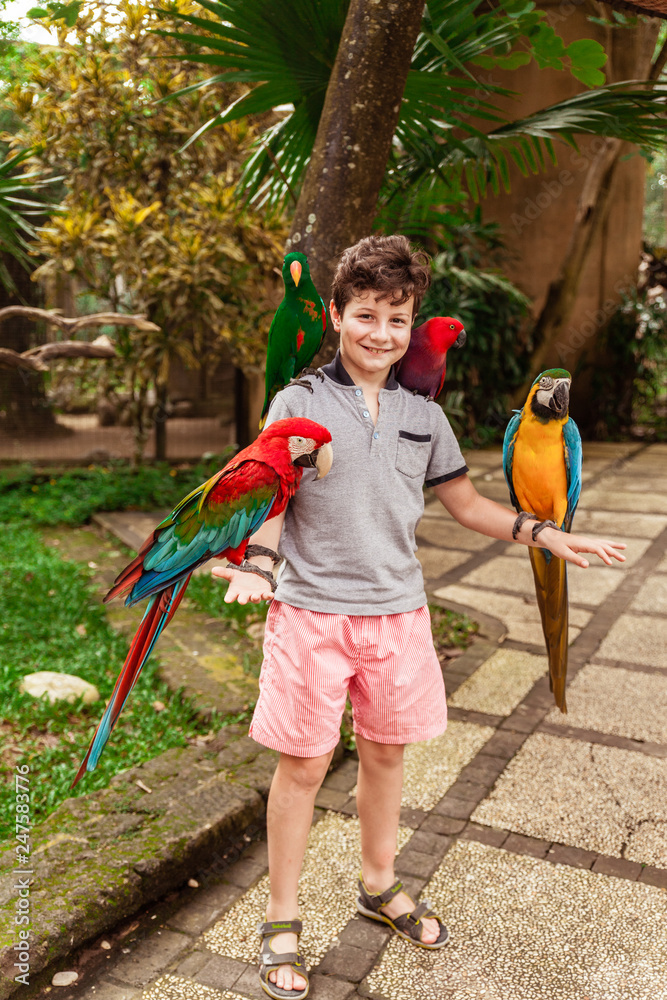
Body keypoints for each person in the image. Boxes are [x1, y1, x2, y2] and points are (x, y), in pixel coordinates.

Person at [213, 235, 626, 1000]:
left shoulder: (423, 416)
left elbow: (464, 505)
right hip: (311, 615)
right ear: (335, 314)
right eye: (364, 314)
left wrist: (547, 534)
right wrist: (260, 566)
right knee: (302, 767)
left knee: (387, 757)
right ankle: (280, 918)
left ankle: (378, 885)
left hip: (398, 617)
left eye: (396, 318)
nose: (380, 332)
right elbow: (272, 495)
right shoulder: (297, 403)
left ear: (412, 324)